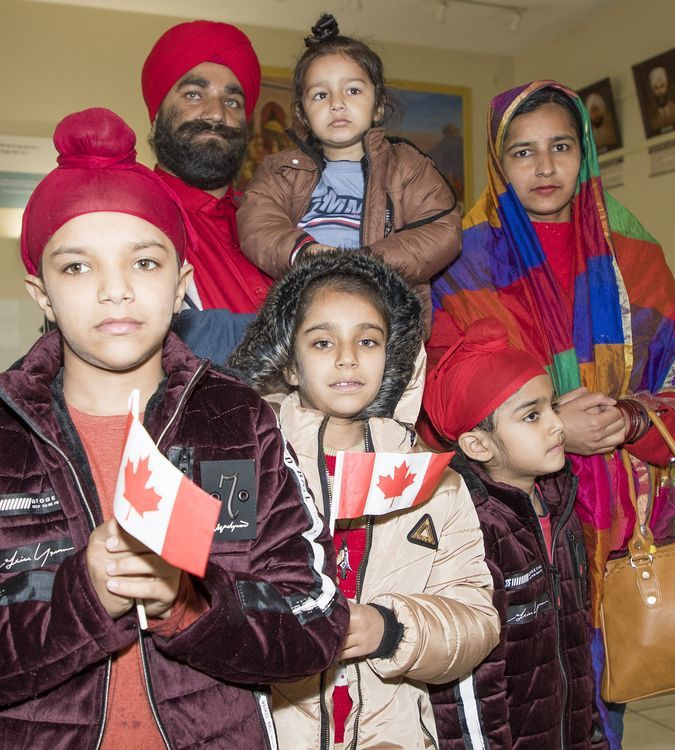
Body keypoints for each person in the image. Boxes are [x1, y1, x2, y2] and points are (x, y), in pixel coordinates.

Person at [0, 107, 348, 749]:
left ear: (183, 282)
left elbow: (314, 621)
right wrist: (80, 595)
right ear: (40, 293)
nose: (114, 291)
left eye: (145, 263)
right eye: (76, 267)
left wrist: (193, 602)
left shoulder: (241, 422)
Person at [427, 81, 675, 748]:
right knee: (519, 702)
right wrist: (550, 422)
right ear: (499, 161)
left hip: (621, 532)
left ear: (584, 151)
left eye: (561, 146)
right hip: (514, 530)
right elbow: (441, 394)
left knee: (603, 700)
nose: (546, 167)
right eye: (524, 152)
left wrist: (632, 420)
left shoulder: (630, 248)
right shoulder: (464, 257)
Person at [229, 251, 500, 749]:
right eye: (323, 341)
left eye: (368, 340)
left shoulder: (432, 481)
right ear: (289, 363)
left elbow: (478, 618)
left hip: (391, 734)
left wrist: (391, 629)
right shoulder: (244, 468)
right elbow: (209, 604)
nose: (347, 357)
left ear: (391, 355)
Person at [423, 317, 607, 750]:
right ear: (479, 446)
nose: (558, 426)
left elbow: (575, 652)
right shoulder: (473, 530)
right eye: (532, 416)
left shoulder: (560, 509)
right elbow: (465, 685)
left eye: (552, 408)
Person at [236, 14, 461, 331]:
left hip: (386, 317)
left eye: (353, 90)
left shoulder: (408, 166)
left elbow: (441, 229)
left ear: (378, 104)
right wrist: (303, 251)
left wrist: (371, 262)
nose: (337, 104)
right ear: (302, 112)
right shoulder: (280, 170)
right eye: (320, 95)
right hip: (305, 315)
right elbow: (256, 221)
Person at [141, 20, 274, 361]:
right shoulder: (132, 220)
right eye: (194, 95)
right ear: (156, 114)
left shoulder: (277, 220)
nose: (216, 113)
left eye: (232, 101)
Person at [646, 66, 675, 132]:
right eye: (656, 88)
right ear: (652, 91)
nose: (660, 91)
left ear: (667, 86)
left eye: (662, 86)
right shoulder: (652, 119)